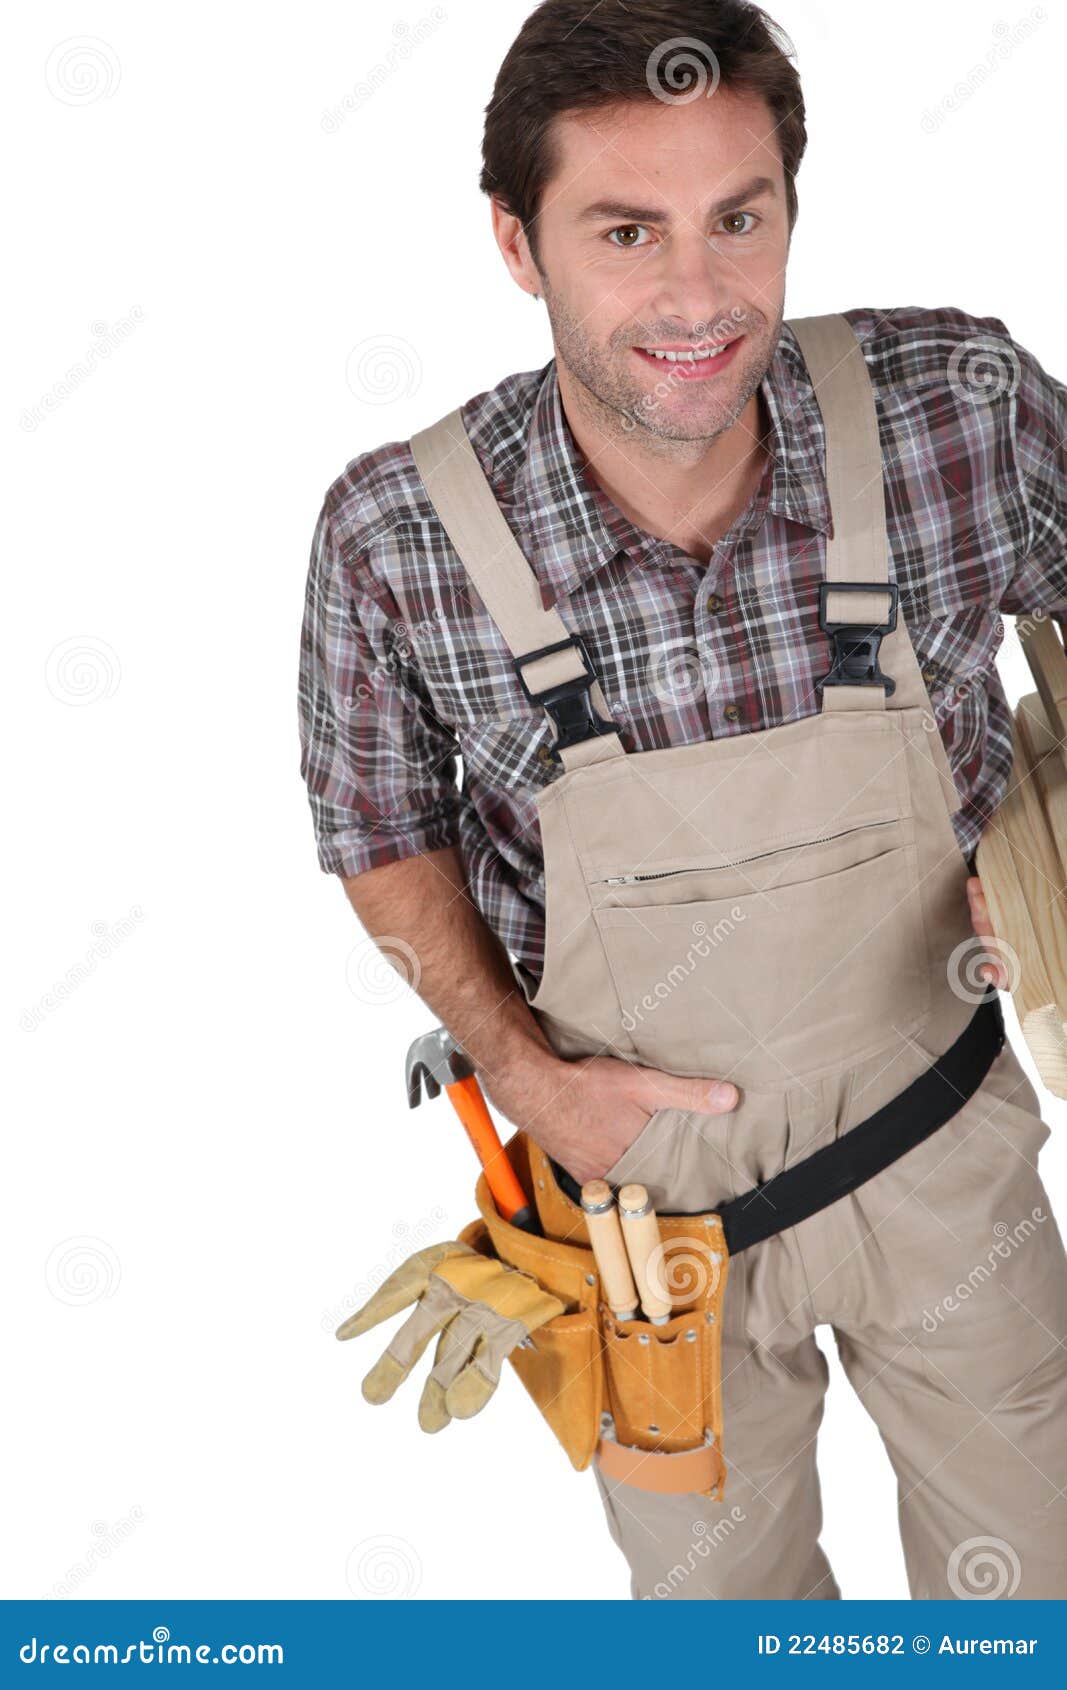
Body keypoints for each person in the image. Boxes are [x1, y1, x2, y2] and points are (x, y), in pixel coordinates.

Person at [298, 0, 1067, 1600]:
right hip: (641, 1223)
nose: (699, 295)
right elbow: (378, 832)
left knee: (1035, 1601)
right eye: (626, 231)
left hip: (944, 1149)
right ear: (517, 242)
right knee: (718, 1627)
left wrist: (1052, 860)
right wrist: (526, 1078)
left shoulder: (960, 410)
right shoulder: (400, 537)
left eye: (739, 218)